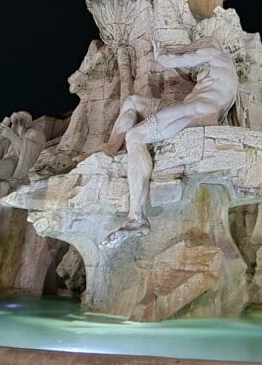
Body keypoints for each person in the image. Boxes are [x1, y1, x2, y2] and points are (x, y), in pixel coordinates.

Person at [102, 35, 238, 239]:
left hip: (195, 111)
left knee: (135, 136)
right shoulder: (227, 73)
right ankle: (111, 148)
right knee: (132, 102)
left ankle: (137, 217)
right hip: (193, 108)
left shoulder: (212, 53)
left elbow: (171, 61)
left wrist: (160, 52)